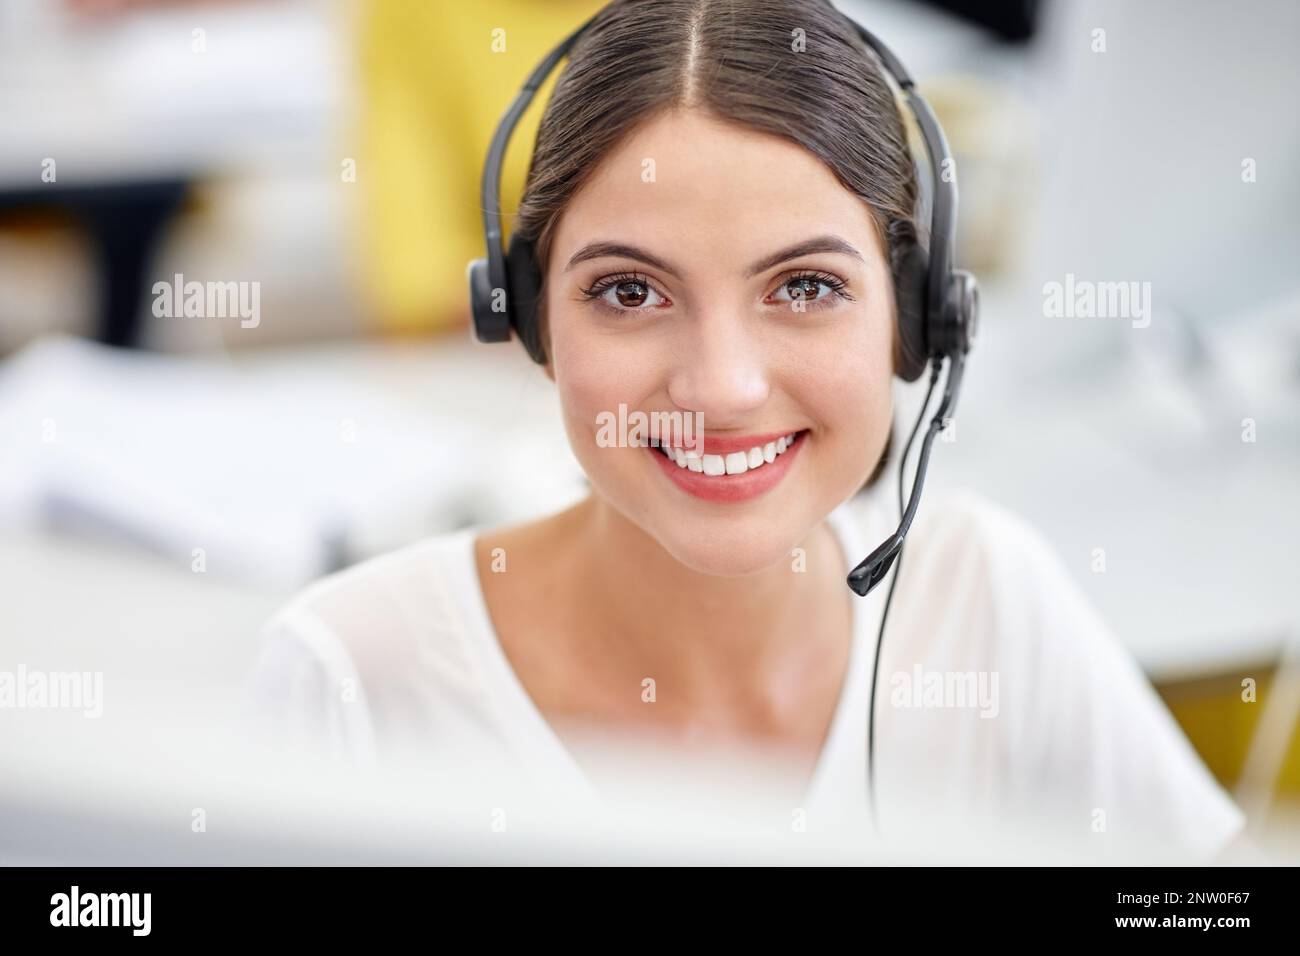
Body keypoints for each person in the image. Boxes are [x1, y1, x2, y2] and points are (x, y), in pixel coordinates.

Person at [249, 0, 1248, 862]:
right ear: (526, 315)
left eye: (805, 285)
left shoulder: (982, 601)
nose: (720, 388)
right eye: (628, 290)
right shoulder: (356, 675)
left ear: (917, 316)